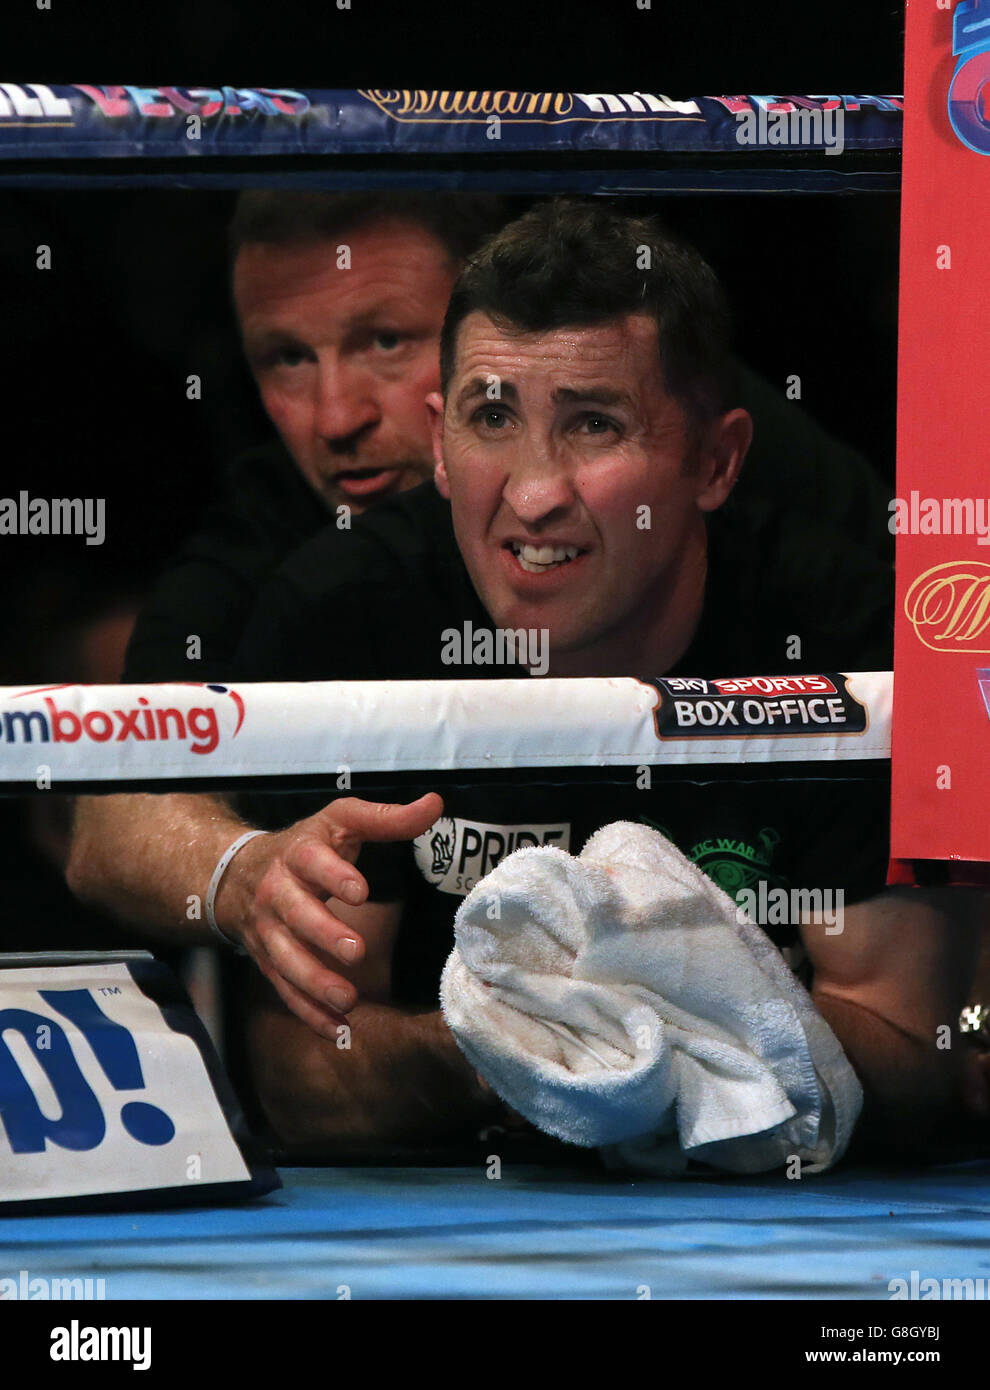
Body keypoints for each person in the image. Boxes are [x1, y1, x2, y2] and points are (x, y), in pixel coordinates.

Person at [215, 199, 984, 1158]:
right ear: (440, 439)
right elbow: (298, 1067)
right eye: (491, 416)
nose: (534, 495)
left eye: (593, 426)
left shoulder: (846, 640)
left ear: (716, 460)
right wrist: (515, 1048)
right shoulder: (346, 616)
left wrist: (667, 1025)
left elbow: (920, 1055)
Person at [67, 191, 511, 940]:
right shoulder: (270, 523)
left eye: (386, 341)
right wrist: (240, 872)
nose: (336, 418)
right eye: (289, 358)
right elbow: (109, 815)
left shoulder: (694, 451)